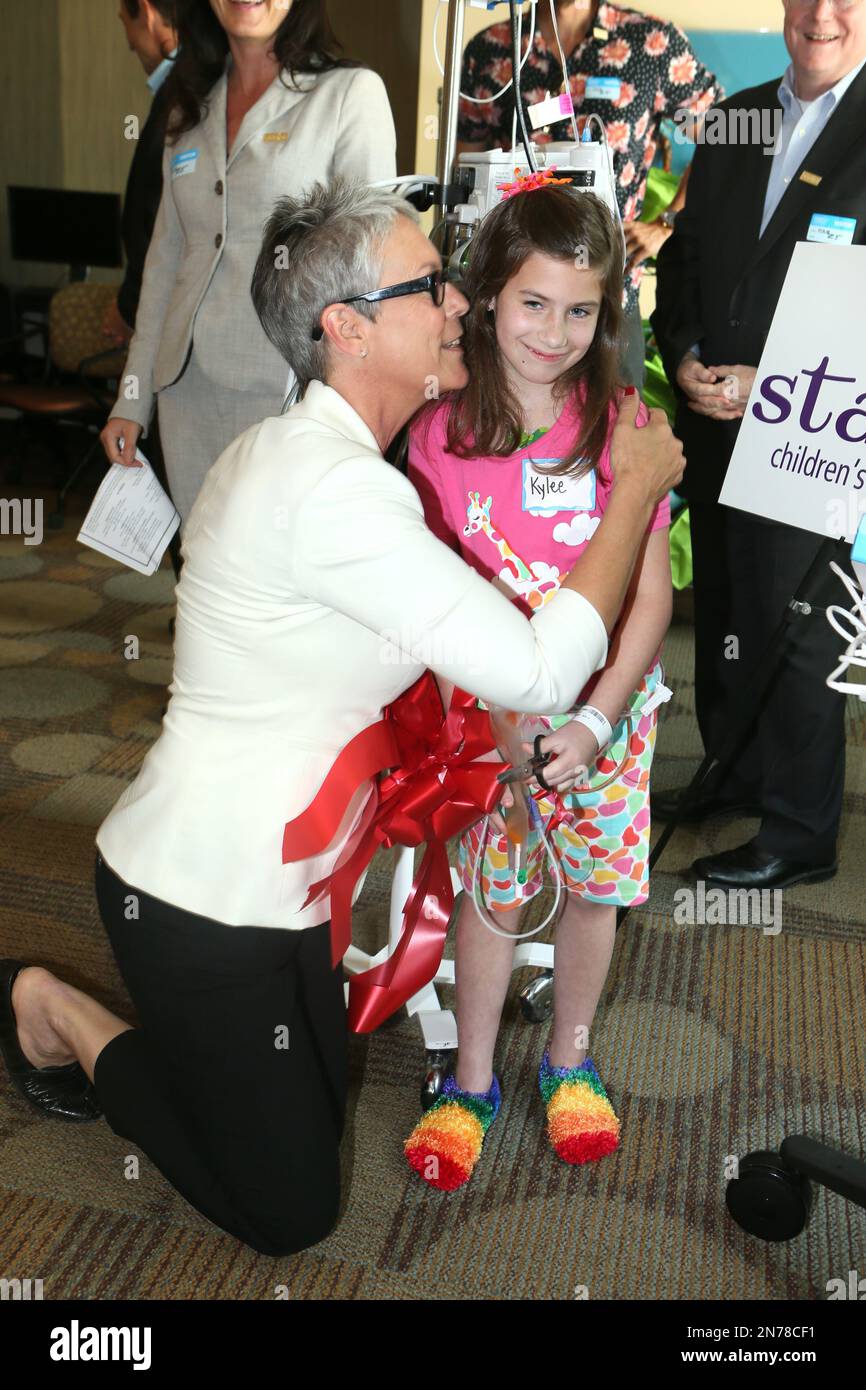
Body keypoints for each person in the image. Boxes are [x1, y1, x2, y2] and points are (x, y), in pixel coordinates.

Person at [0, 180, 683, 1257]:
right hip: (197, 898)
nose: (458, 304)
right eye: (430, 287)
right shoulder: (332, 490)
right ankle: (56, 1010)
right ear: (347, 328)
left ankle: (203, 1050)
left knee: (309, 1118)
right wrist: (636, 491)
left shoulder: (336, 462)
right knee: (290, 1212)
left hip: (290, 892)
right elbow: (538, 667)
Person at [404, 176, 671, 1190]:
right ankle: (469, 1078)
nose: (553, 333)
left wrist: (596, 723)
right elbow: (427, 603)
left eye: (580, 310)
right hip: (491, 725)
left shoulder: (626, 428)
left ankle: (569, 1053)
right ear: (483, 296)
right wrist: (497, 716)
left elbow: (647, 603)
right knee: (491, 894)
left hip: (606, 723)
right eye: (531, 302)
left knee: (594, 893)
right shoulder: (436, 439)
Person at [651, 0, 866, 892]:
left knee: (798, 627)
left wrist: (766, 384)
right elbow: (685, 259)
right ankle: (731, 772)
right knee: (733, 610)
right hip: (716, 420)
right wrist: (689, 349)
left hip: (818, 426)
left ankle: (800, 829)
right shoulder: (736, 115)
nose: (823, 14)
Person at [99, 0, 397, 524]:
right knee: (200, 565)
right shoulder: (189, 106)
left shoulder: (349, 94)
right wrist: (132, 398)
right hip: (186, 388)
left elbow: (372, 263)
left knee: (277, 575)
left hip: (292, 389)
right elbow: (165, 262)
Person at [456, 0, 722, 387]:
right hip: (509, 296)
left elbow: (722, 133)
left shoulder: (651, 42)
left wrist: (669, 221)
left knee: (614, 432)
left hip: (608, 290)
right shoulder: (495, 46)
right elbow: (468, 160)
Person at [103, 0, 180, 349]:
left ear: (147, 15)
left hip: (169, 316)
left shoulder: (185, 96)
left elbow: (153, 215)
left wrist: (129, 306)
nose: (129, 43)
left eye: (126, 24)